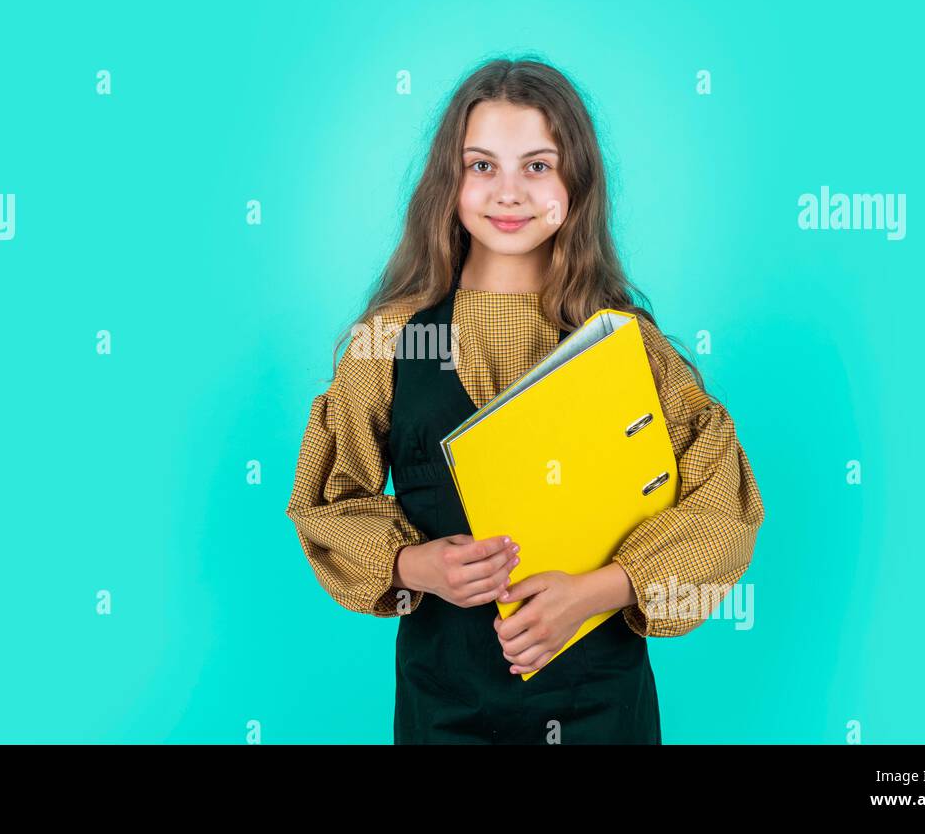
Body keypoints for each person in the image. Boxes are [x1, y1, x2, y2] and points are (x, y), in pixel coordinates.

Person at [286, 57, 766, 745]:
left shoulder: (625, 344)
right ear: (448, 182)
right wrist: (416, 566)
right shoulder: (391, 340)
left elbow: (724, 505)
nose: (508, 193)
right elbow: (324, 506)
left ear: (576, 181)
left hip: (600, 707)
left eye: (537, 166)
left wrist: (599, 591)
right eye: (482, 165)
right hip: (444, 706)